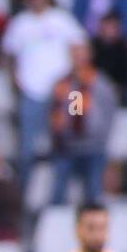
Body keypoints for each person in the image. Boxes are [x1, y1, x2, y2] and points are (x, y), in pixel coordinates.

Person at [1, 0, 85, 189]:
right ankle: (21, 196)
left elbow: (80, 47)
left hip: (60, 92)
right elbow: (6, 54)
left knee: (63, 145)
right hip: (31, 91)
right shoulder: (20, 23)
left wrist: (73, 78)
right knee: (26, 149)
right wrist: (14, 79)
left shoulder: (61, 19)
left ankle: (59, 197)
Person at [49, 42, 118, 205]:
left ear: (89, 55)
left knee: (93, 192)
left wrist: (100, 134)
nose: (78, 57)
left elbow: (109, 110)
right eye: (74, 53)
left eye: (81, 53)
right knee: (58, 192)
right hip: (66, 146)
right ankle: (55, 226)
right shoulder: (63, 83)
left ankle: (93, 226)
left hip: (94, 146)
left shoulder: (99, 82)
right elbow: (56, 113)